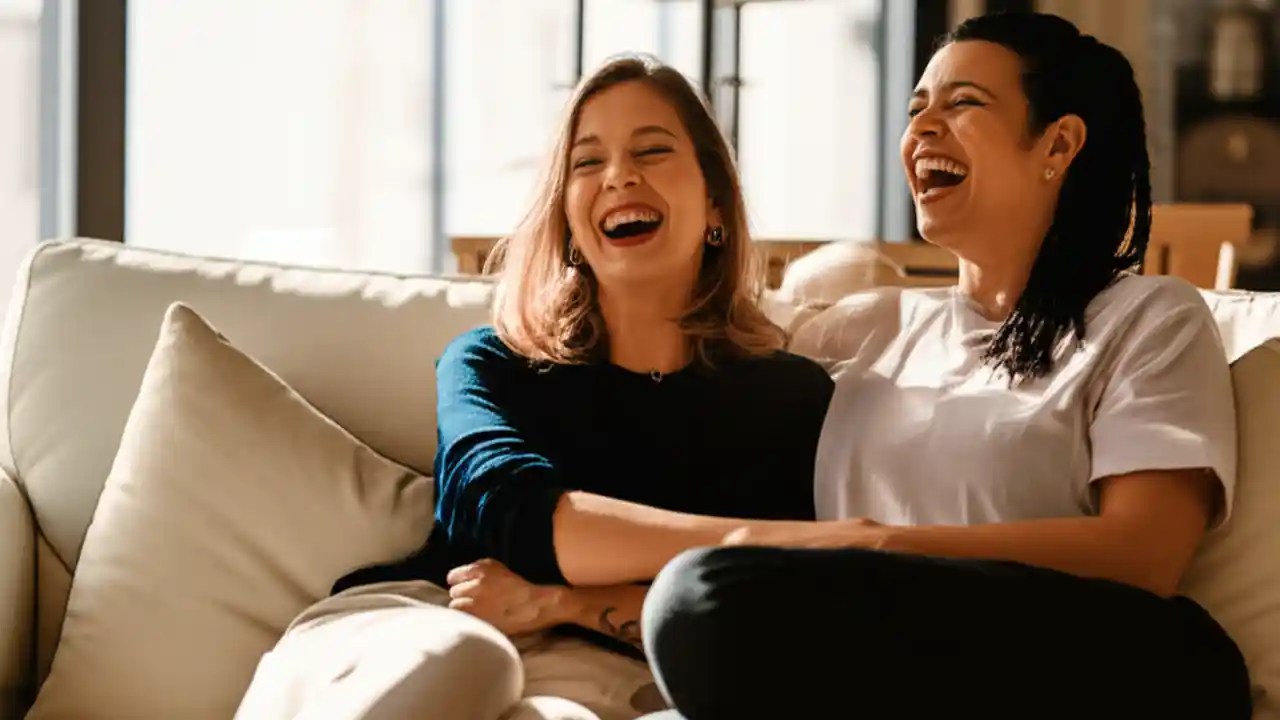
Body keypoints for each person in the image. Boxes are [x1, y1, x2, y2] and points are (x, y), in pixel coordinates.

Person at [638, 13, 1254, 720]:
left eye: (962, 103)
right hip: (897, 656)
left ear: (1058, 143)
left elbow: (1144, 554)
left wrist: (869, 542)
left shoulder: (1150, 316)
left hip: (1108, 660)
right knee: (703, 601)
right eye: (914, 109)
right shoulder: (865, 326)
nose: (923, 127)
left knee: (711, 597)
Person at [330, 54, 834, 719]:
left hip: (630, 666)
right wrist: (757, 544)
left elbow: (771, 608)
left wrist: (559, 602)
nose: (620, 176)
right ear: (567, 217)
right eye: (587, 163)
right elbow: (512, 511)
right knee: (465, 666)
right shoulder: (491, 364)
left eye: (652, 151)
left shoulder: (791, 397)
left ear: (715, 199)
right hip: (435, 627)